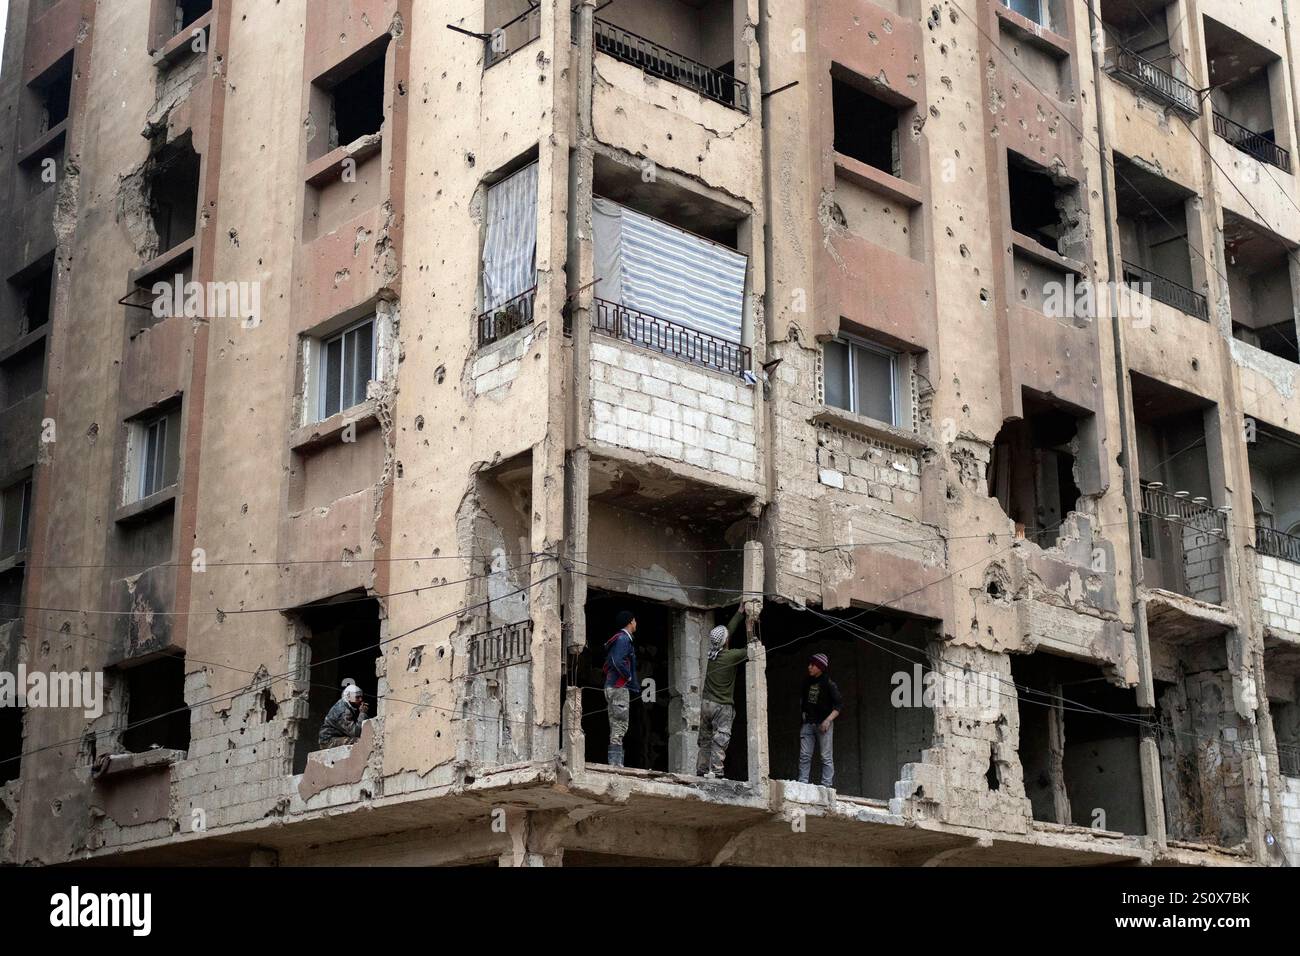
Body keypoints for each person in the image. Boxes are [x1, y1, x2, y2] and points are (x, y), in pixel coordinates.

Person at [697, 607, 747, 778]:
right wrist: (753, 634)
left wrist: (739, 612)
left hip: (706, 704)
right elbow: (751, 651)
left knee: (705, 739)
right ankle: (716, 772)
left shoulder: (712, 654)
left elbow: (726, 633)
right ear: (726, 642)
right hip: (722, 707)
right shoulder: (731, 656)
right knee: (720, 739)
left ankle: (702, 770)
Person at [798, 653, 842, 787]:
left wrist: (828, 720)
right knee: (804, 755)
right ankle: (803, 784)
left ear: (820, 667)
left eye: (812, 665)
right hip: (808, 723)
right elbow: (802, 701)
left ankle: (826, 787)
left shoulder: (829, 684)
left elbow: (839, 706)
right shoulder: (806, 682)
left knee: (826, 757)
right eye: (809, 664)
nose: (809, 667)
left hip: (823, 724)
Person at [602, 611, 638, 767]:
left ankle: (614, 762)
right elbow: (617, 660)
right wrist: (628, 676)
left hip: (611, 686)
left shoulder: (619, 639)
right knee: (620, 724)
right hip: (619, 687)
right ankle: (616, 764)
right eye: (634, 620)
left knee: (615, 723)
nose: (636, 623)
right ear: (630, 622)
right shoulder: (624, 639)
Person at [319, 680, 368, 748]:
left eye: (361, 697)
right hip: (328, 740)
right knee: (358, 741)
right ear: (348, 696)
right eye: (357, 697)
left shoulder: (348, 705)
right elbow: (356, 732)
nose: (360, 699)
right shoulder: (343, 711)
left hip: (338, 736)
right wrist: (362, 713)